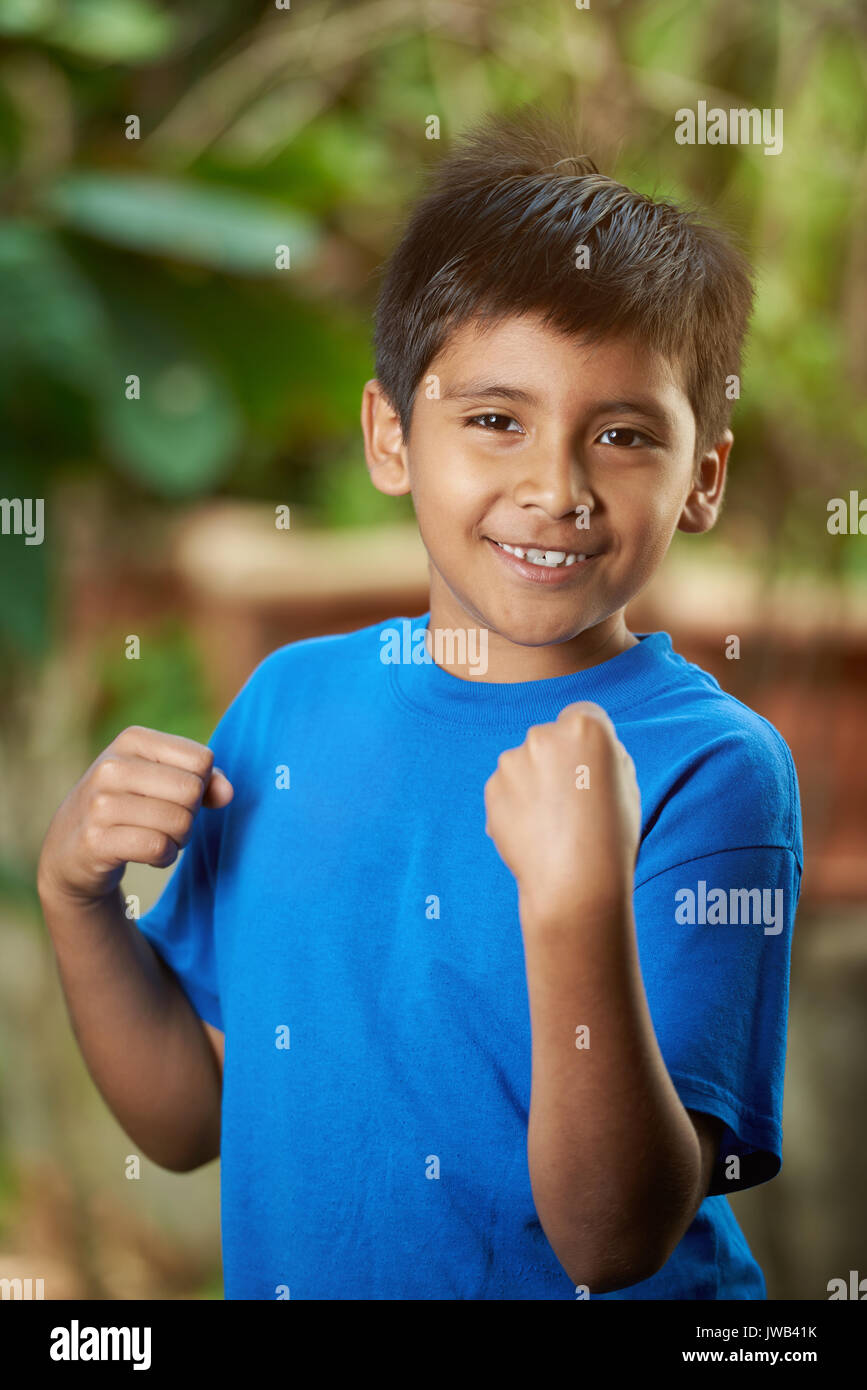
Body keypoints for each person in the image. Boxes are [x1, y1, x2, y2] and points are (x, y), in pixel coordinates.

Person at [37, 105, 802, 1300]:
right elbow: (189, 1117)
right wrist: (75, 899)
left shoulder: (716, 771)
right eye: (496, 420)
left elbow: (613, 1239)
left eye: (623, 434)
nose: (555, 487)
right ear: (391, 437)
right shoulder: (288, 706)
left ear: (701, 479)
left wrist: (574, 908)